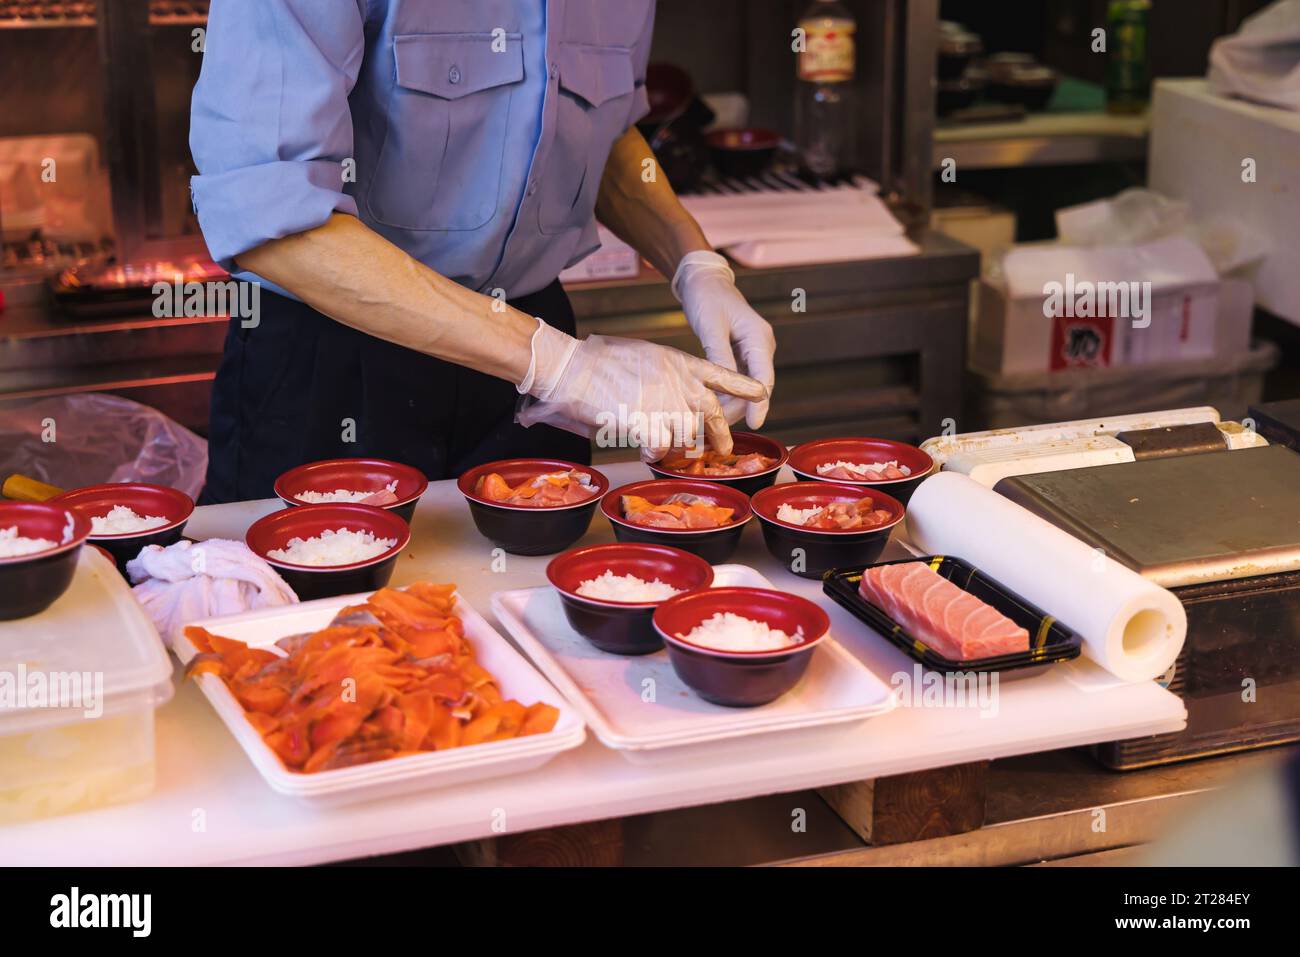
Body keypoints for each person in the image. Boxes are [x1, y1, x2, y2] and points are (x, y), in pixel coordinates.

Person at [188, 0, 776, 503]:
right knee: (315, 620)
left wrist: (695, 264)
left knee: (542, 613)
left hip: (529, 356)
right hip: (333, 357)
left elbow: (603, 127)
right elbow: (273, 217)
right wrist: (562, 365)